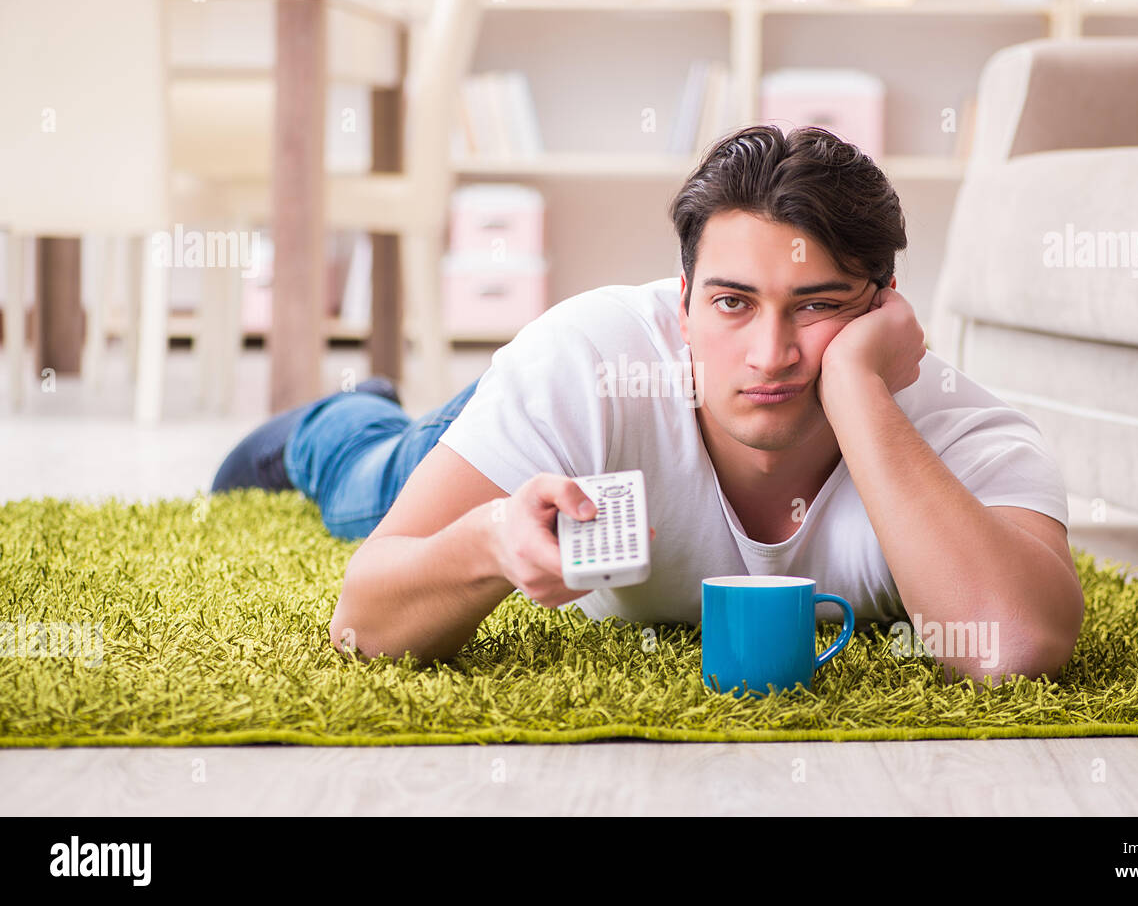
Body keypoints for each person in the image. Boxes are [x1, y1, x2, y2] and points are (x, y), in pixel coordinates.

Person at [212, 124, 1084, 685]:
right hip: (553, 423)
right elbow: (361, 620)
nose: (770, 354)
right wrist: (487, 543)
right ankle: (337, 418)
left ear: (886, 306)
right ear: (682, 305)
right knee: (374, 468)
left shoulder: (960, 430)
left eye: (817, 304)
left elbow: (1014, 648)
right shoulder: (587, 363)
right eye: (732, 302)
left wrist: (857, 389)